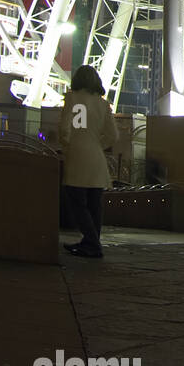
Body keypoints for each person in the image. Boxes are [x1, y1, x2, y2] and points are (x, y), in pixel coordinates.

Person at [59, 64, 117, 258]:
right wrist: (97, 145)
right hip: (97, 157)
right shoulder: (103, 104)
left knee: (76, 201)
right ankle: (91, 241)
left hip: (78, 155)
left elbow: (67, 128)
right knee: (95, 204)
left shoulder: (74, 100)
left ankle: (91, 242)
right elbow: (113, 135)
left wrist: (67, 144)